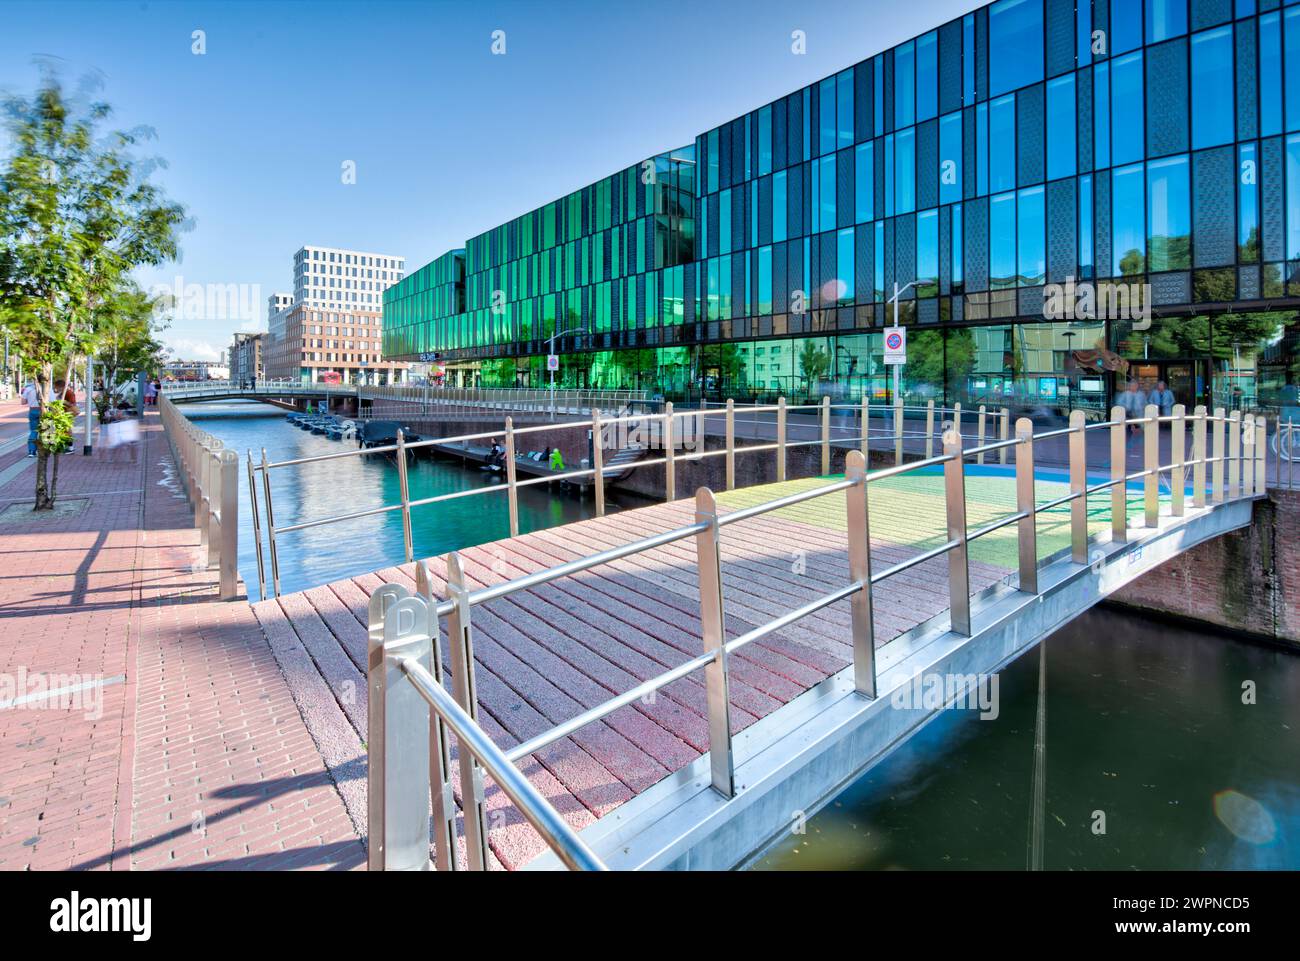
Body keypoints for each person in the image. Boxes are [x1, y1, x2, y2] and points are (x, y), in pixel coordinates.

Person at [20, 377, 43, 457]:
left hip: (33, 411)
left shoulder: (28, 389)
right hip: (44, 411)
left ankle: (31, 451)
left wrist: (31, 400)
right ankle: (44, 451)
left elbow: (23, 402)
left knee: (33, 431)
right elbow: (53, 401)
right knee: (46, 431)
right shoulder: (47, 390)